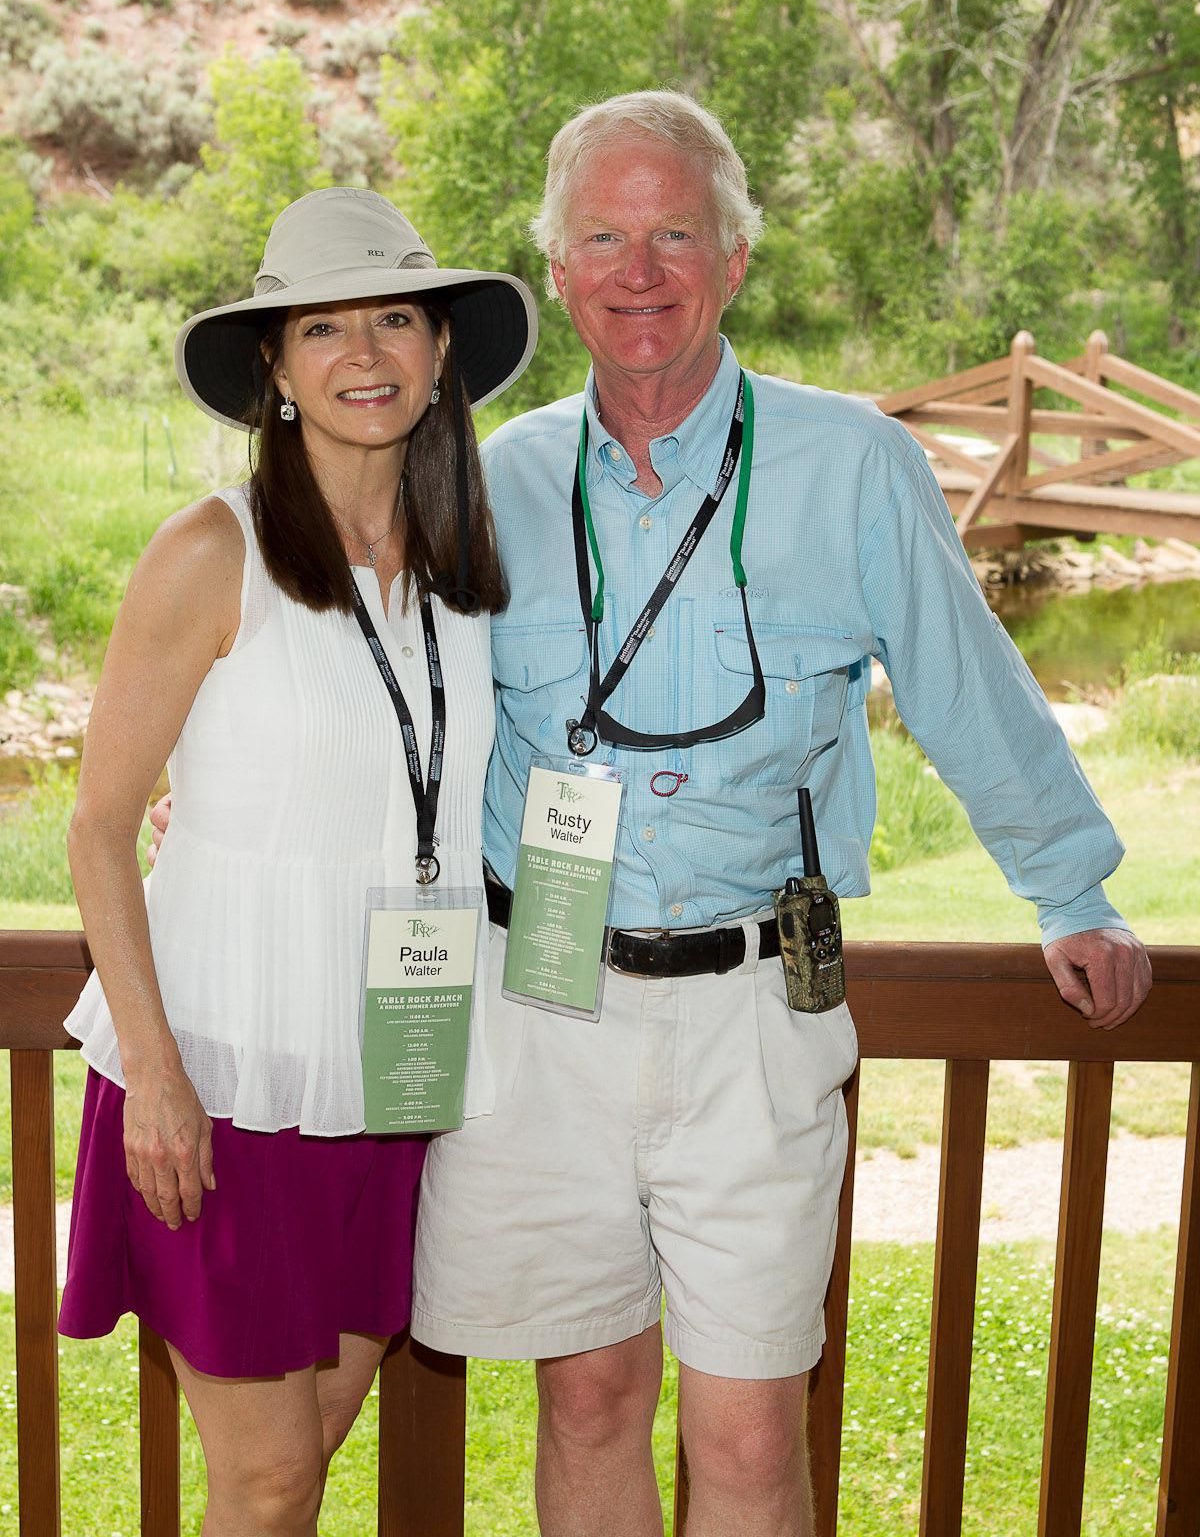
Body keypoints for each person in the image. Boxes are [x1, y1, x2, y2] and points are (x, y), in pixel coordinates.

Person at [403, 92, 1154, 1537]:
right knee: (590, 1399)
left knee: (749, 1426)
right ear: (557, 268)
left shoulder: (853, 465)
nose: (642, 270)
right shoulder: (490, 482)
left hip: (754, 1010)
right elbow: (402, 715)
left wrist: (1070, 889)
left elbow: (967, 686)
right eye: (605, 236)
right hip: (540, 995)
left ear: (737, 258)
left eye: (677, 232)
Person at [58, 187, 536, 1537]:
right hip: (222, 1071)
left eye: (395, 318)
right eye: (321, 326)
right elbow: (96, 824)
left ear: (441, 350)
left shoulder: (462, 564)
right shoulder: (214, 550)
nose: (365, 354)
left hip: (391, 1066)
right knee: (268, 1479)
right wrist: (158, 1076)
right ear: (273, 368)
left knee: (300, 1463)